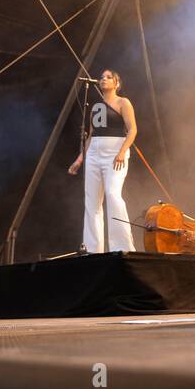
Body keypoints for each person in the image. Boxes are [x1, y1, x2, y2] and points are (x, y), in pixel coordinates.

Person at [69, 69, 138, 253]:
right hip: (94, 152)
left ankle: (122, 246)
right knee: (92, 201)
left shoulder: (123, 102)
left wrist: (123, 151)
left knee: (113, 194)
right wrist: (80, 159)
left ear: (117, 83)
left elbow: (132, 130)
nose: (103, 79)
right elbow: (91, 135)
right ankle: (93, 249)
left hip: (115, 150)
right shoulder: (96, 106)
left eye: (108, 77)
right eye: (101, 77)